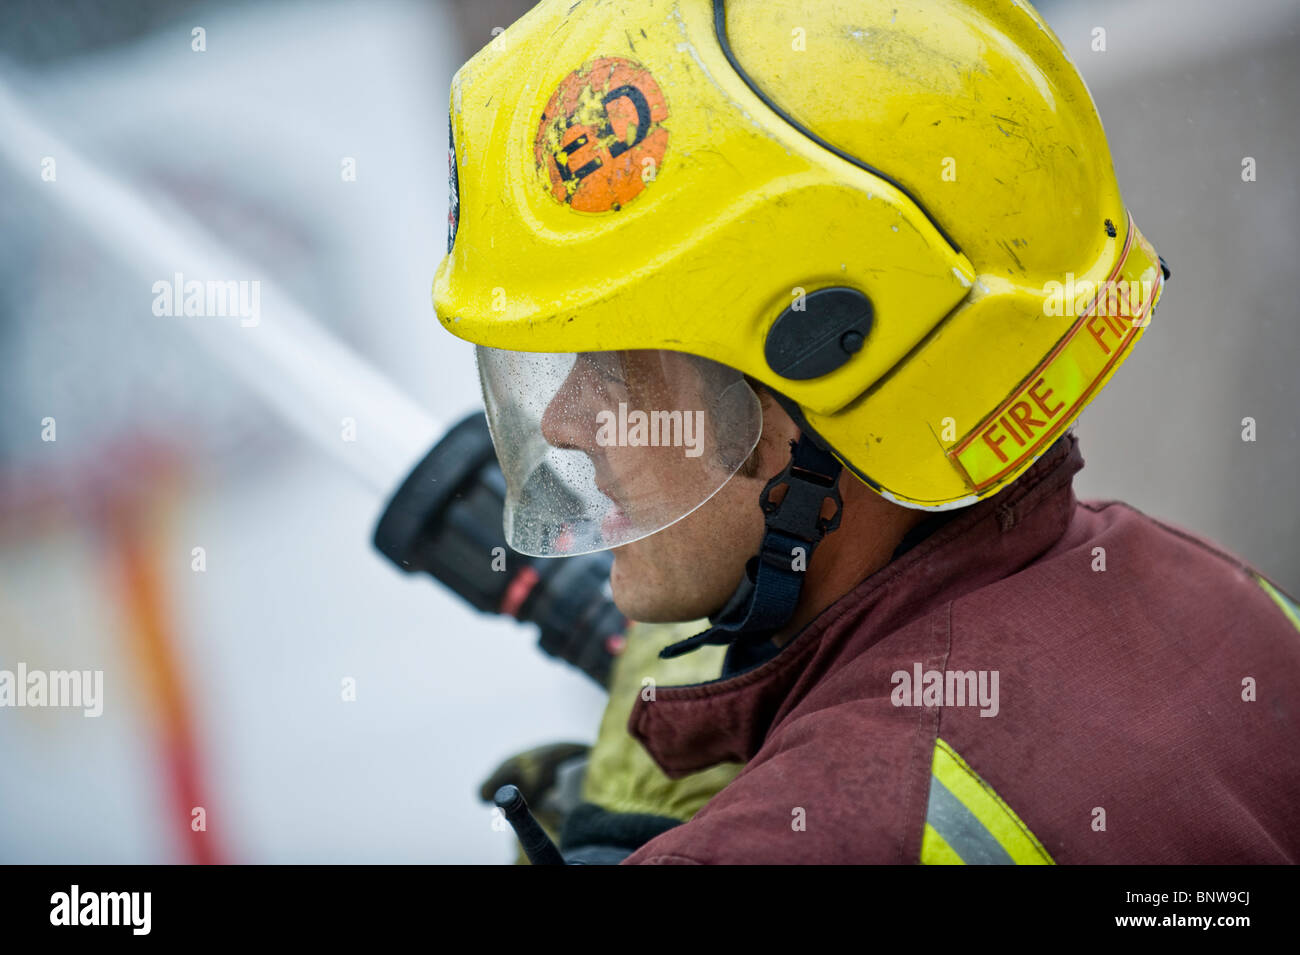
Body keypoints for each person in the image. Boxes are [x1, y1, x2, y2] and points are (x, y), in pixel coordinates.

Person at [440, 0, 1300, 863]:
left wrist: (620, 823)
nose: (563, 419)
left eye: (615, 364)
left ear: (829, 367)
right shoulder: (1233, 602)